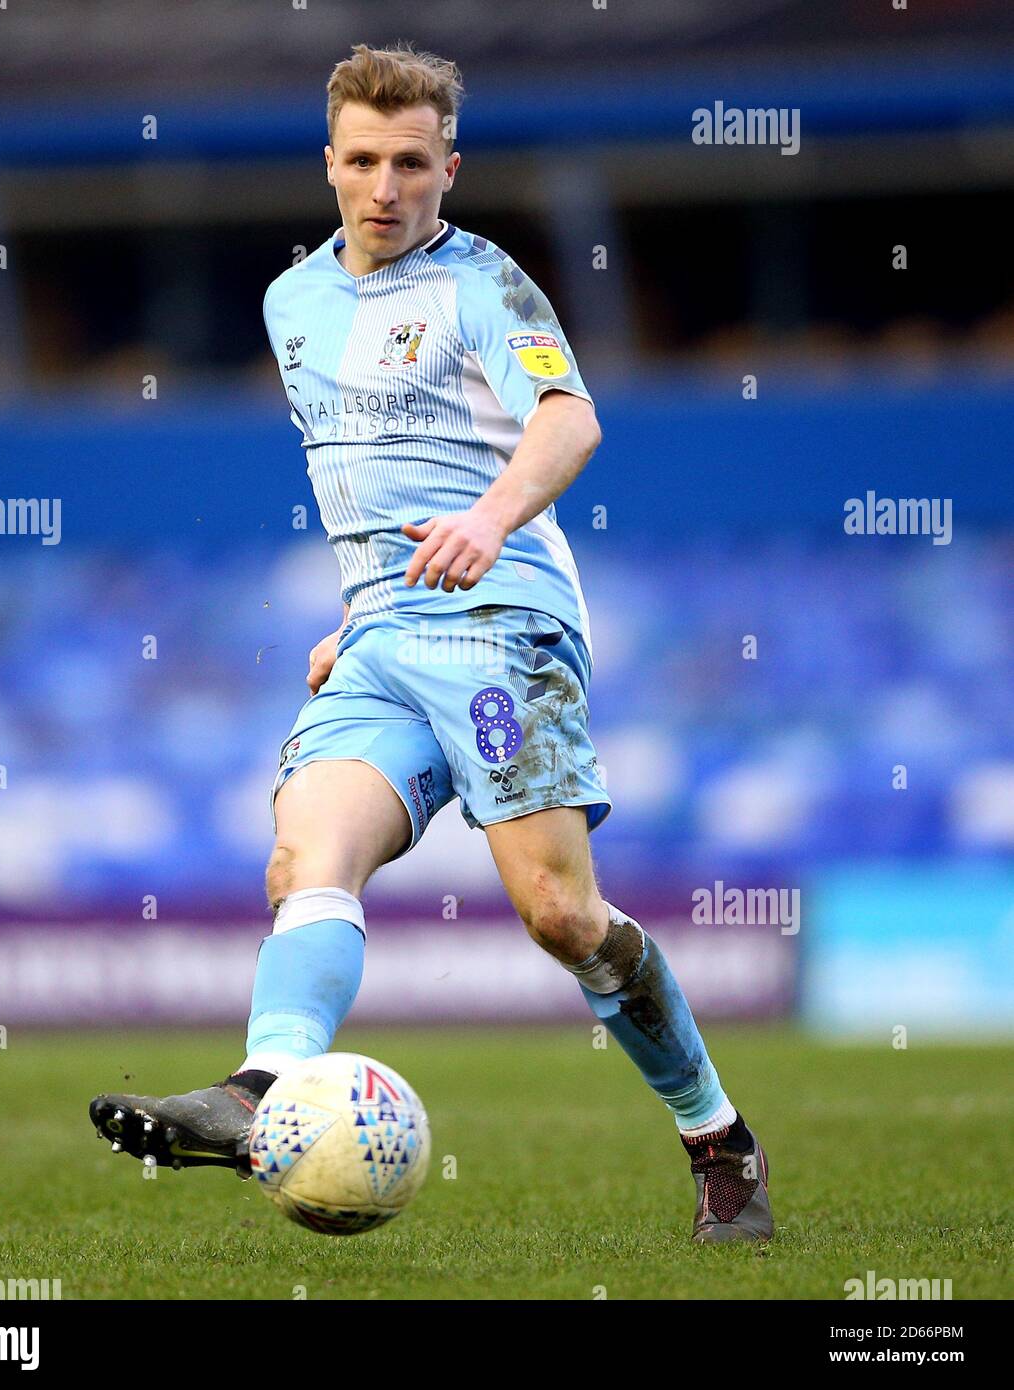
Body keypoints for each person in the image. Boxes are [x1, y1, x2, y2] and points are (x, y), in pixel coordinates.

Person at [90, 42, 772, 1244]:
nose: (386, 187)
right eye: (363, 160)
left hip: (503, 619)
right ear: (330, 163)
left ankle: (716, 1136)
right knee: (307, 856)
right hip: (381, 636)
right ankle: (258, 1092)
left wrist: (486, 519)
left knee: (560, 914)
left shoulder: (486, 285)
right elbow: (364, 485)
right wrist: (358, 610)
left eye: (413, 162)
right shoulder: (290, 301)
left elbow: (571, 420)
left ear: (449, 168)